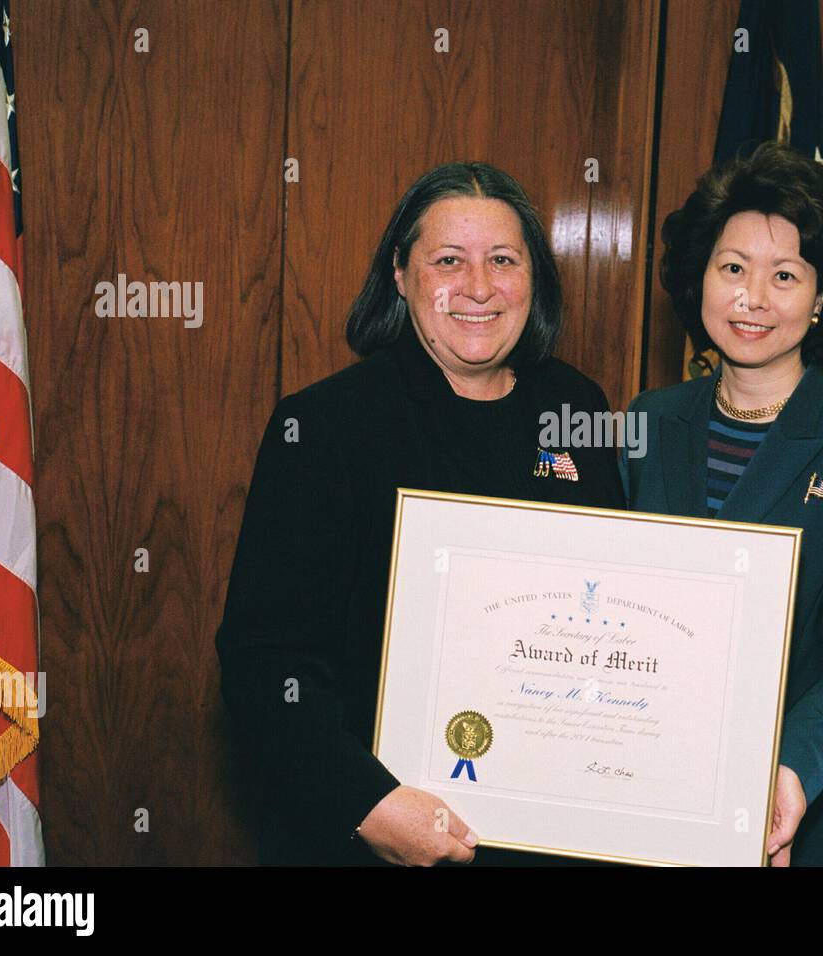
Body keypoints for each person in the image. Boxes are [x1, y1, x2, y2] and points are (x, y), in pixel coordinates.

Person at [215, 162, 624, 866]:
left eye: (503, 259)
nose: (478, 286)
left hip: (545, 829)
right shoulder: (322, 426)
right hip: (370, 834)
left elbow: (608, 604)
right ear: (401, 275)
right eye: (447, 261)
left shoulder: (578, 409)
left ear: (535, 279)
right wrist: (367, 805)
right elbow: (263, 664)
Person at [621, 141, 823, 866]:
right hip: (643, 784)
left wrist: (791, 768)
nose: (752, 298)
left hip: (794, 806)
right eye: (732, 268)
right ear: (700, 279)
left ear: (821, 300)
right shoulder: (645, 423)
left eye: (784, 275)